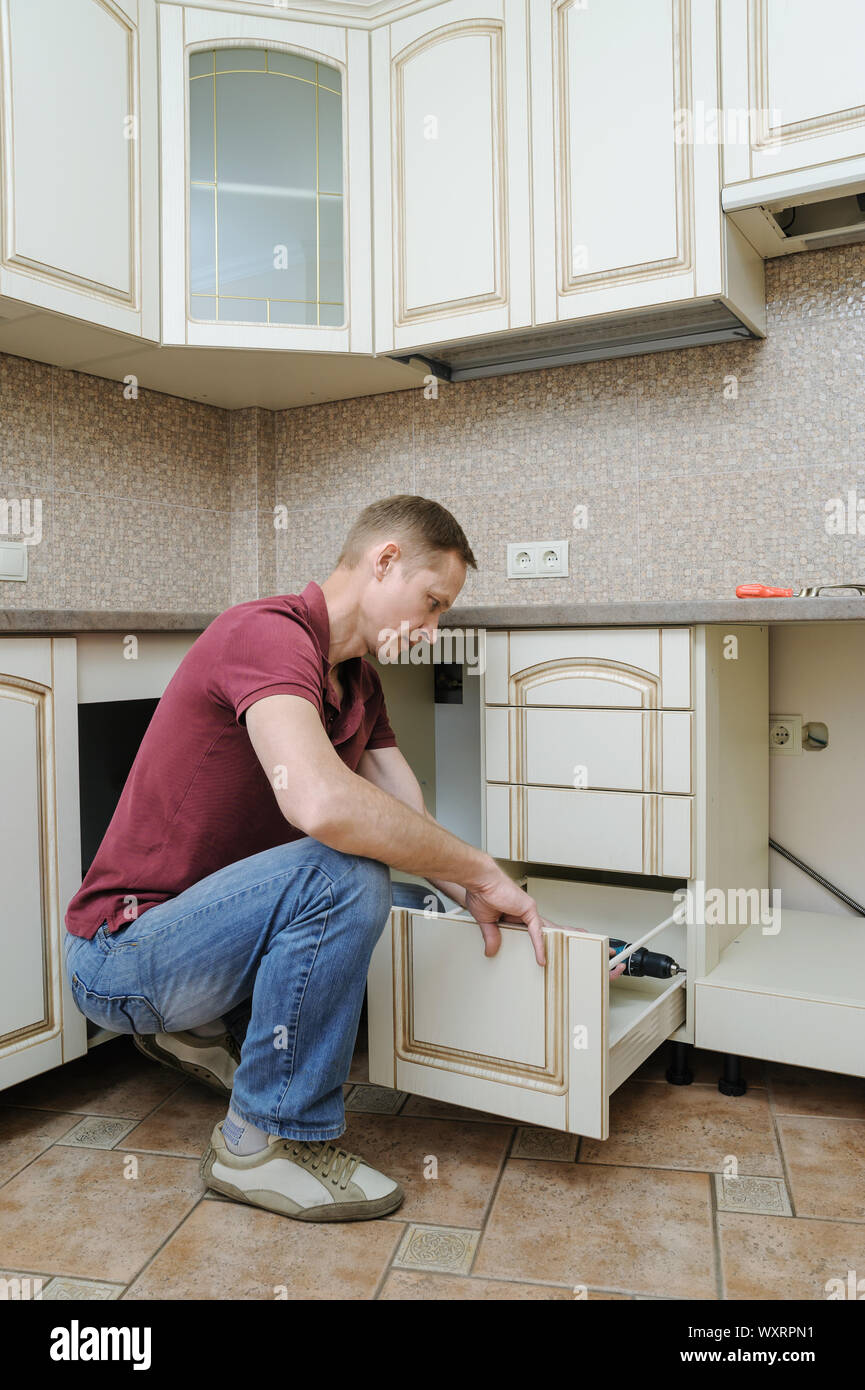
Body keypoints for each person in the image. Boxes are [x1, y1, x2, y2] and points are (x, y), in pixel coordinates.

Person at [64, 494, 623, 1224]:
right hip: (121, 955)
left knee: (359, 867)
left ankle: (203, 1030)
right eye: (430, 604)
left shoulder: (357, 677)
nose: (430, 631)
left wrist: (482, 894)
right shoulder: (264, 634)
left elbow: (405, 814)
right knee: (344, 870)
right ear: (384, 560)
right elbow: (321, 805)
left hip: (198, 944)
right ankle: (260, 1143)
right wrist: (479, 869)